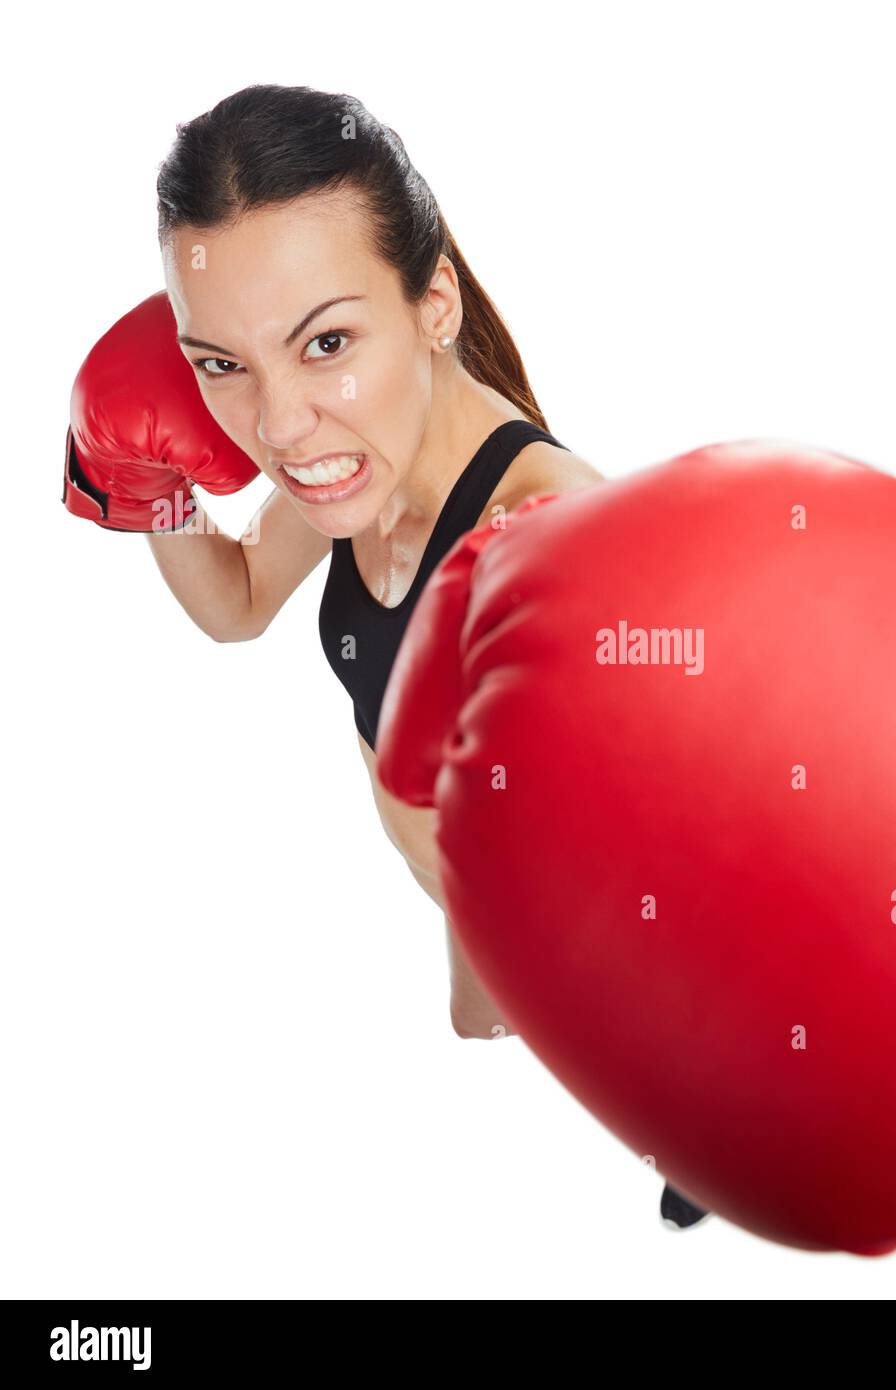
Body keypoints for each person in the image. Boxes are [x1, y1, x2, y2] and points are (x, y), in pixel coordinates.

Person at [71, 83, 707, 1231]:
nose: (275, 427)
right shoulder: (352, 457)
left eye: (325, 343)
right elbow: (238, 603)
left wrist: (485, 980)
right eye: (221, 363)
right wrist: (153, 489)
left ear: (433, 303)